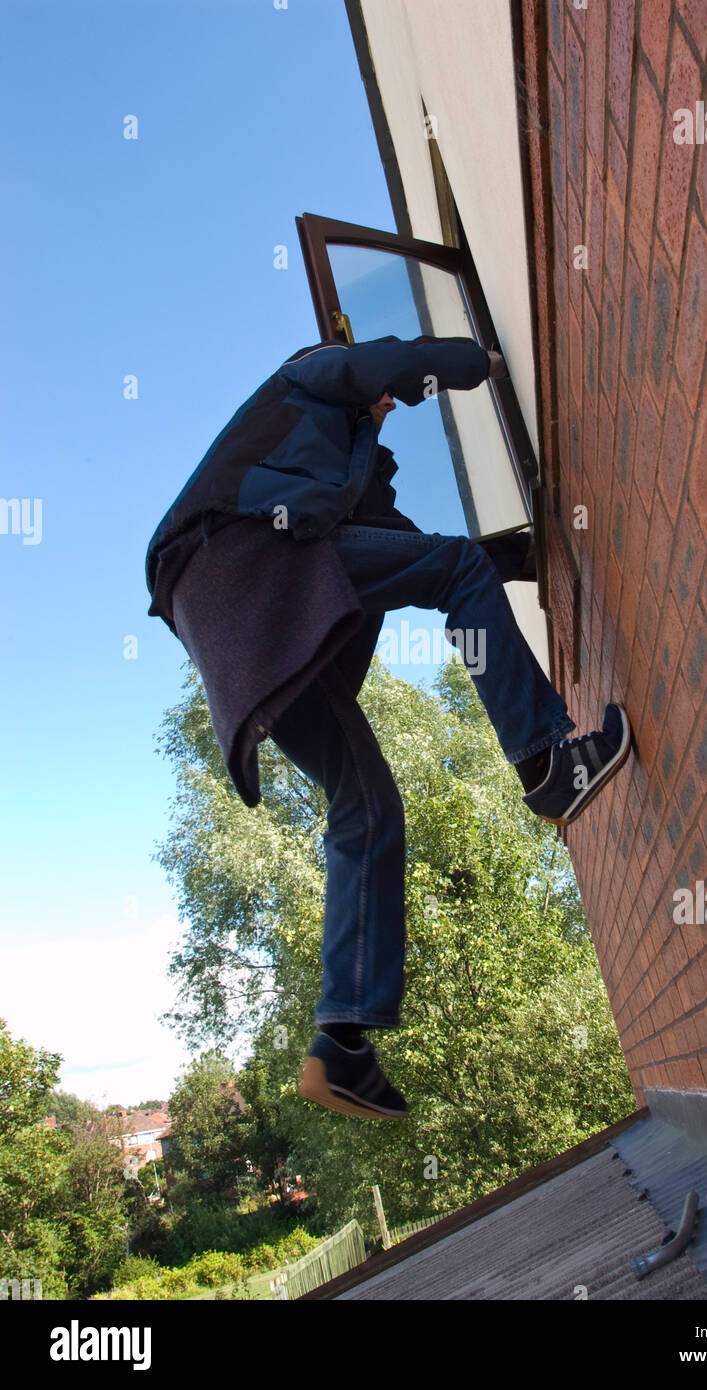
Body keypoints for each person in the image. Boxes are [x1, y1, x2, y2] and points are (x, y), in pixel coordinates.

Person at [145, 334, 632, 1122]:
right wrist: (487, 360)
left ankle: (341, 1044)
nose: (382, 407)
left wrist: (517, 554)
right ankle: (548, 763)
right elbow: (377, 364)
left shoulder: (335, 484)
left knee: (366, 807)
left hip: (247, 634)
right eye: (376, 403)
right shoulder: (303, 379)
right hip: (248, 566)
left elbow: (416, 557)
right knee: (455, 573)